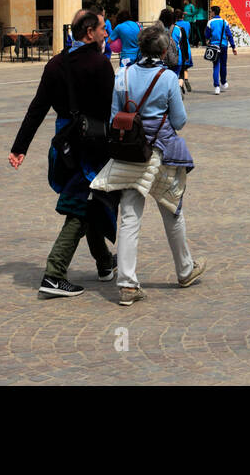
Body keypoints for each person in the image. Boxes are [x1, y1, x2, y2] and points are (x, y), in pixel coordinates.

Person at [91, 24, 206, 307]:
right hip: (162, 152)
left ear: (140, 47)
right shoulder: (167, 77)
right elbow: (179, 121)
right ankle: (185, 269)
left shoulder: (124, 74)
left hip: (130, 152)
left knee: (130, 216)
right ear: (165, 51)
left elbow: (113, 118)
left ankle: (128, 284)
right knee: (172, 209)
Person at [8, 8, 118, 298]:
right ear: (90, 32)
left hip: (65, 144)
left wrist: (20, 148)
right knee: (79, 207)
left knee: (89, 200)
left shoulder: (56, 64)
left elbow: (37, 109)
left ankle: (105, 263)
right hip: (93, 147)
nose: (107, 33)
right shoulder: (100, 64)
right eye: (103, 28)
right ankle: (54, 274)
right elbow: (111, 112)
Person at [205, 6, 236, 93]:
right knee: (223, 65)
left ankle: (216, 87)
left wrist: (209, 39)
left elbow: (207, 35)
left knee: (216, 66)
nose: (210, 13)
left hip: (214, 47)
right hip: (223, 46)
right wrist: (233, 47)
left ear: (214, 12)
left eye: (210, 11)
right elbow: (229, 35)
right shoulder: (224, 22)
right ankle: (223, 82)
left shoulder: (210, 22)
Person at [162, 7, 193, 92]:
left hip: (163, 57)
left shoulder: (160, 30)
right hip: (177, 56)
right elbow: (184, 44)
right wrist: (186, 56)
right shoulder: (179, 29)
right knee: (180, 73)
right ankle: (179, 85)